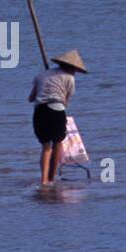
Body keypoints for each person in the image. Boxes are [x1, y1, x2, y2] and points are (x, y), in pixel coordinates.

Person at [28, 50, 86, 184]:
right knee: (57, 145)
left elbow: (31, 98)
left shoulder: (41, 75)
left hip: (39, 111)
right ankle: (51, 179)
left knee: (46, 147)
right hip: (56, 110)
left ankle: (43, 180)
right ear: (71, 68)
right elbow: (65, 102)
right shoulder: (70, 78)